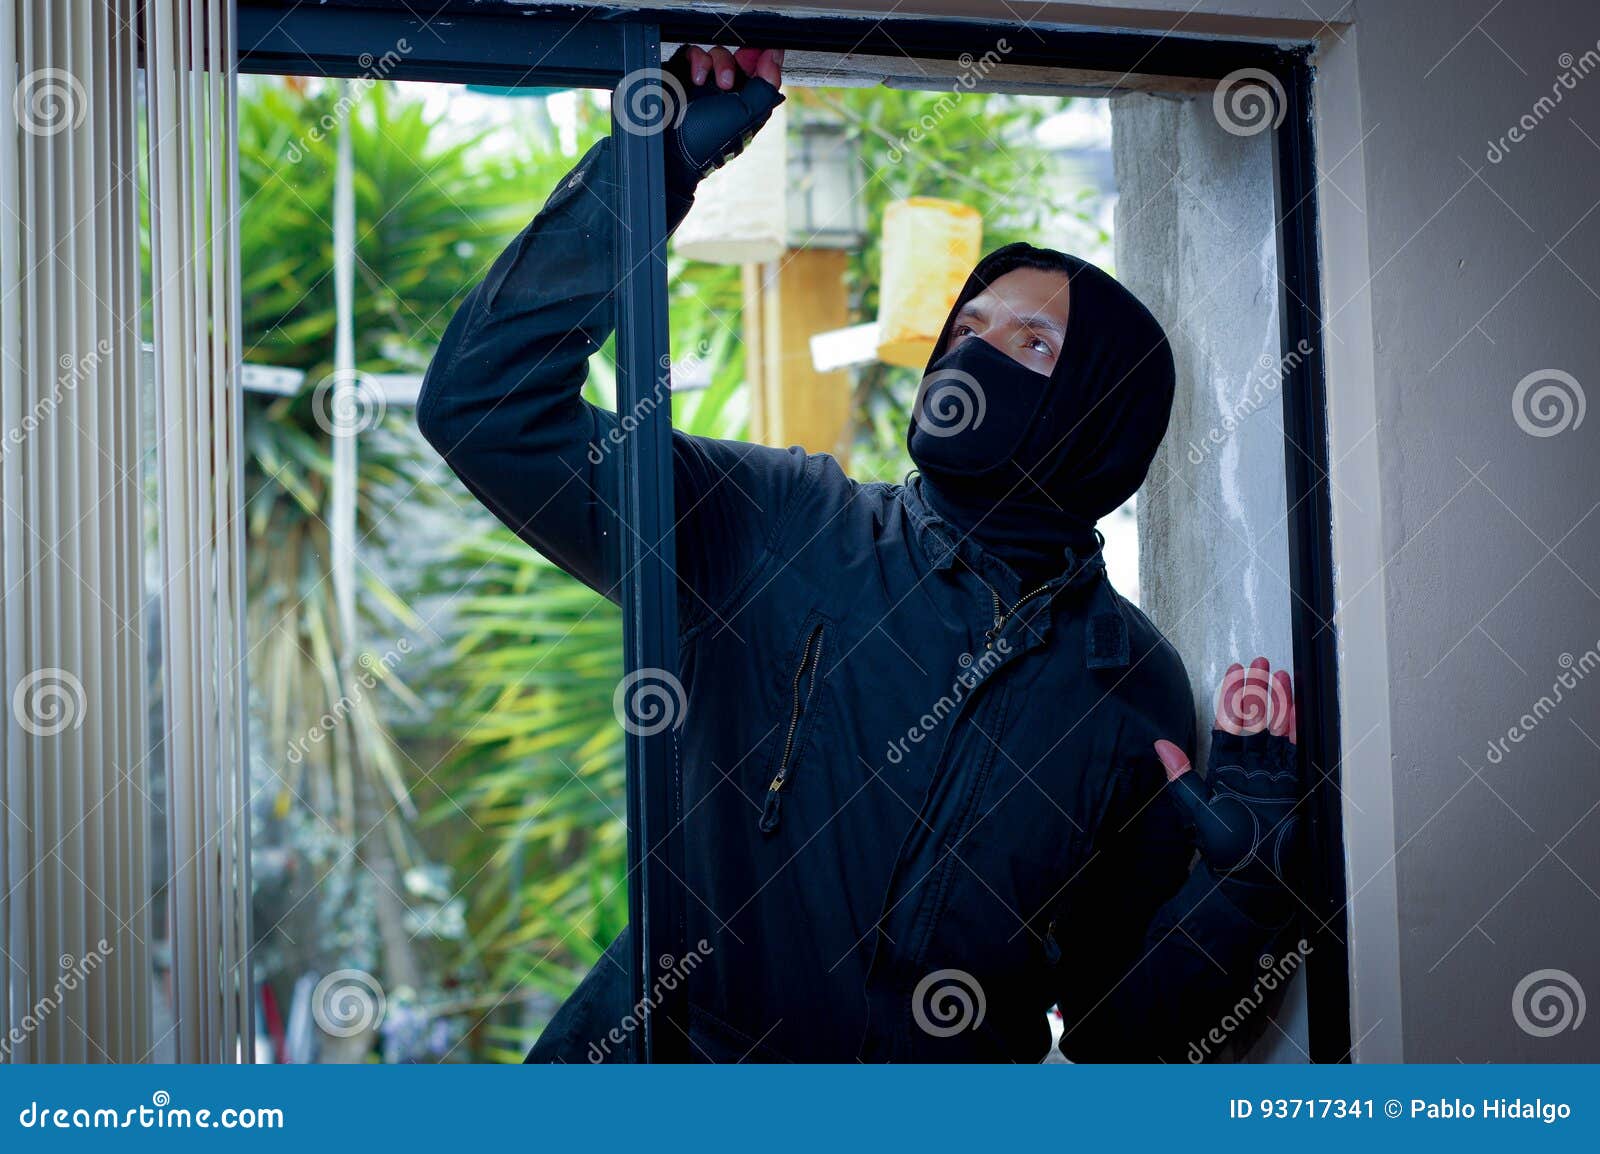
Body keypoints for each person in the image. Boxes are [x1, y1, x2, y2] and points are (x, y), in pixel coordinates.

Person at [417, 45, 1306, 1063]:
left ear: (1101, 416)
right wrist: (649, 164)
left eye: (1028, 343)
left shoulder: (1127, 684)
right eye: (964, 325)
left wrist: (1242, 888)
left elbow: (1121, 1037)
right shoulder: (779, 520)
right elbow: (486, 408)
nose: (970, 351)